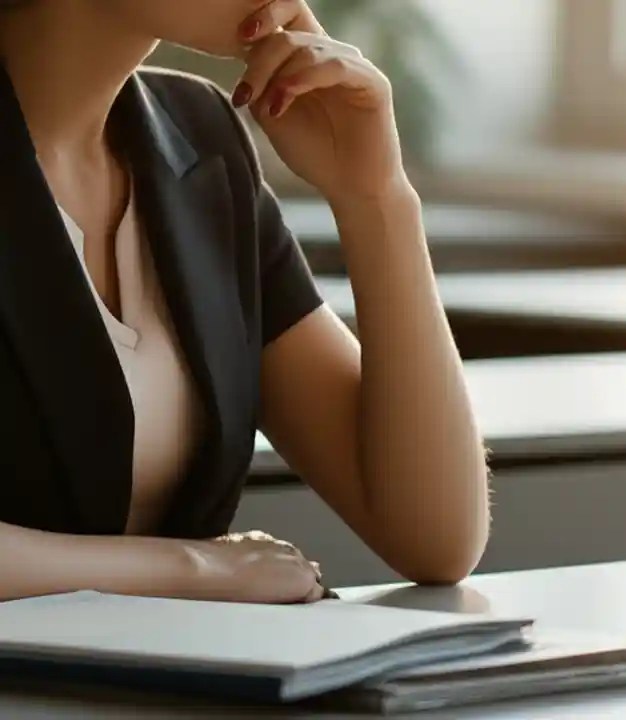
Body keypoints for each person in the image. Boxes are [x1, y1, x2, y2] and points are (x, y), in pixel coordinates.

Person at [0, 0, 490, 603]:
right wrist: (194, 571)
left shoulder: (201, 136)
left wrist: (376, 197)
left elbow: (433, 536)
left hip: (172, 692)